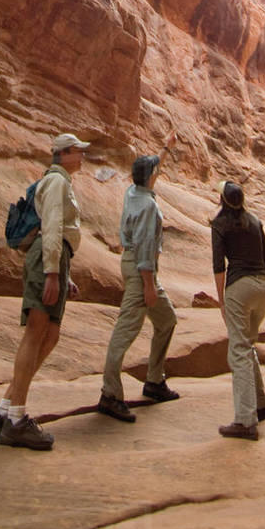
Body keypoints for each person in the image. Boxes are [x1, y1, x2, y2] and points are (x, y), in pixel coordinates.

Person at [0, 132, 87, 450]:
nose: (82, 156)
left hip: (53, 257)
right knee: (36, 332)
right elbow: (53, 225)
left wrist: (62, 271)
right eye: (78, 151)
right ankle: (16, 419)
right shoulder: (57, 182)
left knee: (50, 335)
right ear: (64, 154)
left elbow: (58, 230)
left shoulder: (60, 181)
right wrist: (53, 271)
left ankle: (3, 412)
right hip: (47, 256)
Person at [97, 134, 180, 422]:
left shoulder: (133, 191)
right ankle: (109, 394)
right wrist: (148, 286)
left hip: (137, 267)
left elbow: (153, 164)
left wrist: (166, 147)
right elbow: (145, 246)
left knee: (167, 320)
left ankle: (154, 381)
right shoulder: (148, 207)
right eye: (157, 170)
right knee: (125, 331)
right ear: (152, 177)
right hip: (141, 270)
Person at [212, 180, 265, 441]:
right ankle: (261, 406)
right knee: (247, 345)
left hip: (239, 287)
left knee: (238, 350)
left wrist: (222, 301)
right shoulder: (255, 221)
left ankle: (245, 421)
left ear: (222, 201)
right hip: (263, 288)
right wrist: (260, 287)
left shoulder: (219, 225)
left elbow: (219, 267)